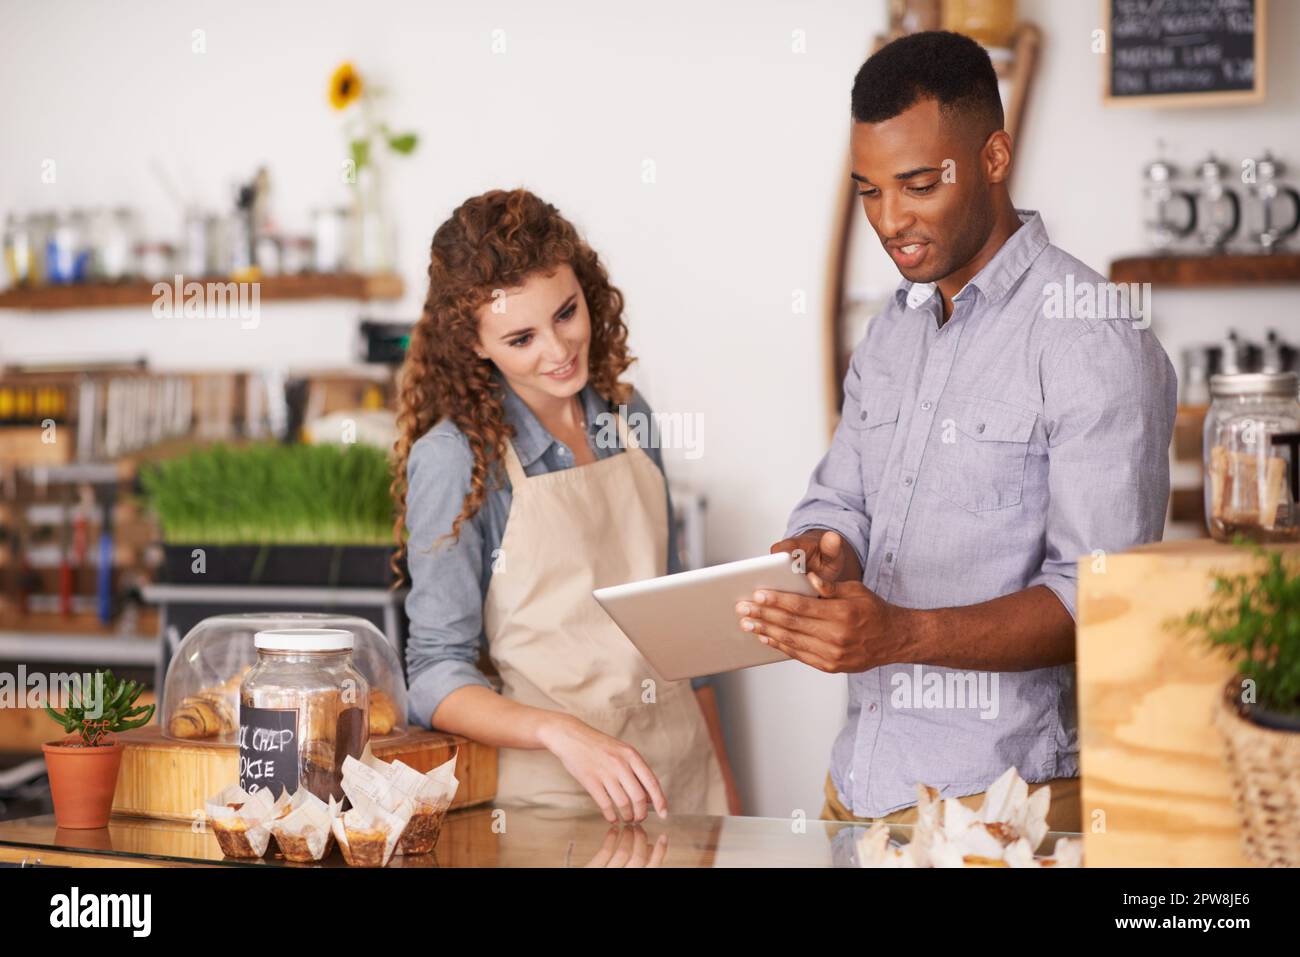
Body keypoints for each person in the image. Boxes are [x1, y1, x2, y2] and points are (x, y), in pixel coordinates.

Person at [733, 31, 1176, 831]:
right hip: (859, 786)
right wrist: (828, 546)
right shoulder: (894, 330)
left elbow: (1101, 601)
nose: (890, 220)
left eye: (916, 184)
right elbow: (840, 497)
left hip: (1003, 804)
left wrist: (900, 633)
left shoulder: (1091, 336)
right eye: (869, 190)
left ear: (995, 157)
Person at [393, 188, 730, 824]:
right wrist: (560, 732)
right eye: (521, 338)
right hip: (556, 804)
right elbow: (435, 674)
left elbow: (685, 630)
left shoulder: (629, 418)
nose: (558, 349)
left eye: (566, 313)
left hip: (683, 779)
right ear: (475, 345)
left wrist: (726, 786)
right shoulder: (457, 459)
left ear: (587, 287)